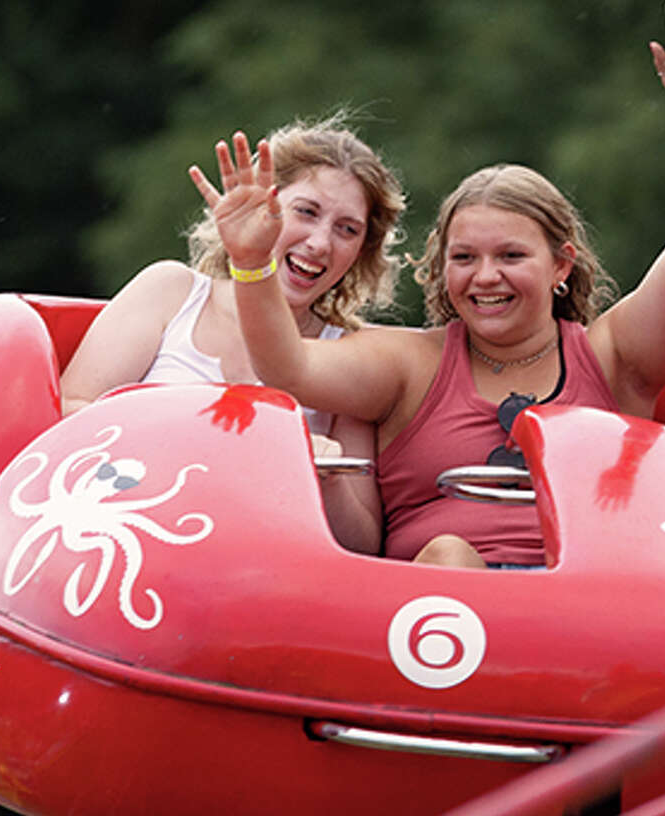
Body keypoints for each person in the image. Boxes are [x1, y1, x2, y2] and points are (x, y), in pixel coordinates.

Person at [210, 0, 665, 568]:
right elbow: (287, 366)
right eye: (464, 257)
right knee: (449, 552)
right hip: (444, 628)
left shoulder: (615, 358)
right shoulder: (407, 367)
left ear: (561, 265)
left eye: (511, 255)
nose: (486, 277)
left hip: (587, 608)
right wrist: (253, 262)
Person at [58, 117, 406, 555]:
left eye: (347, 229)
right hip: (128, 537)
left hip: (261, 570)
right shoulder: (171, 292)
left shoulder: (354, 356)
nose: (319, 243)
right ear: (261, 206)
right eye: (307, 212)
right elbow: (71, 410)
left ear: (361, 253)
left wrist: (329, 476)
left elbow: (361, 543)